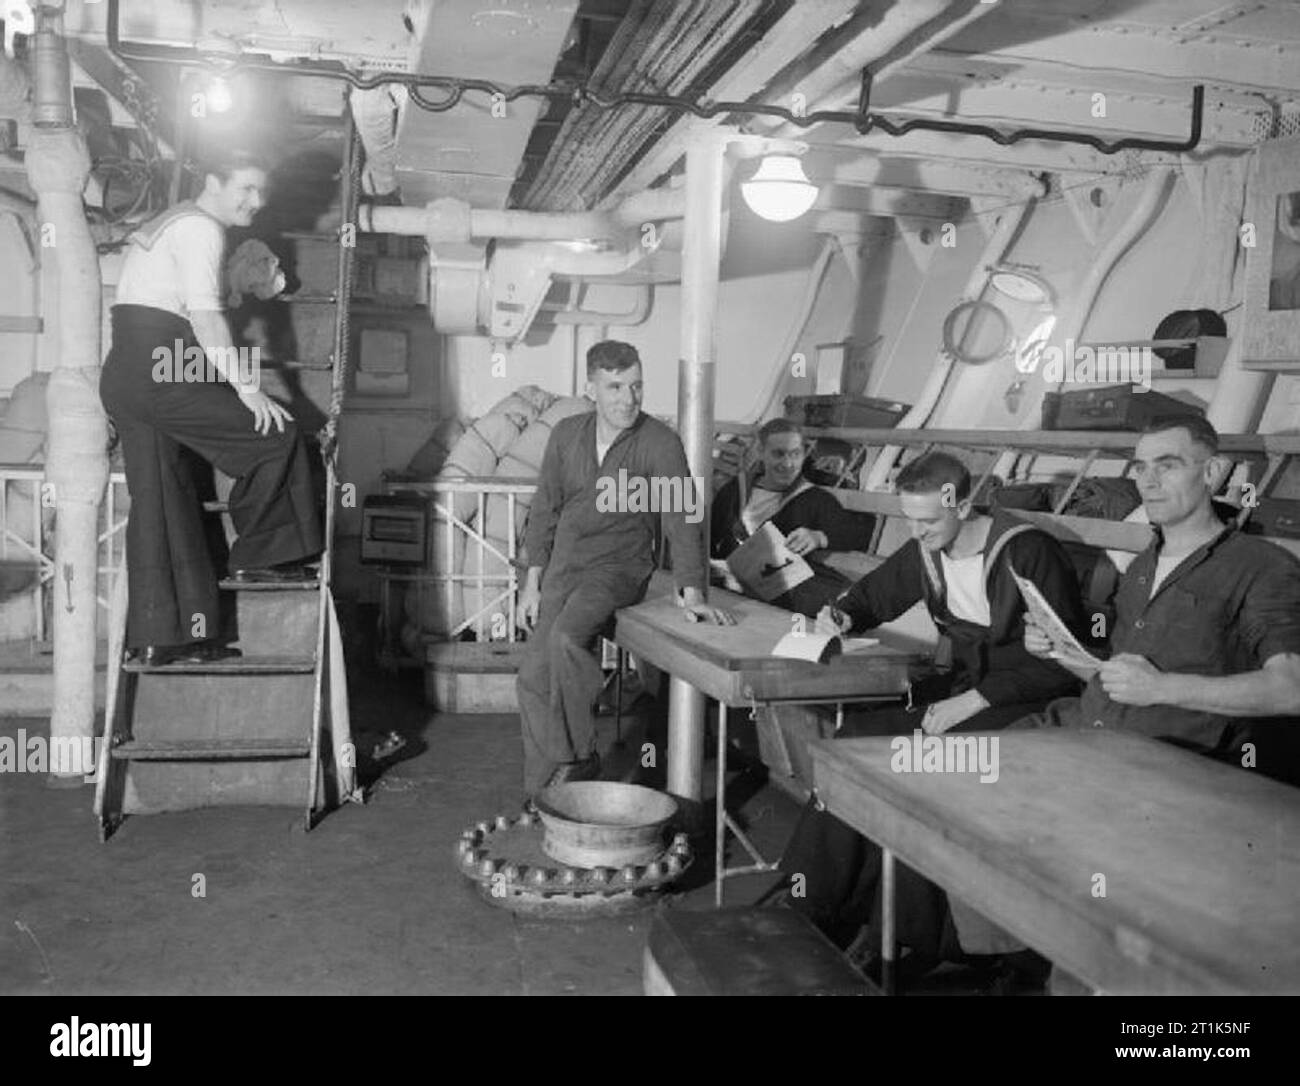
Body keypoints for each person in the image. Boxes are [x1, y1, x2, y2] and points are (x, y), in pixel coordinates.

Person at [777, 450, 1084, 973]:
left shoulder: (1027, 551)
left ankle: (906, 938)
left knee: (915, 761)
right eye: (911, 521)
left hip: (1025, 701)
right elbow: (875, 594)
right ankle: (811, 911)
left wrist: (971, 701)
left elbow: (1066, 665)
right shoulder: (925, 549)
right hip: (966, 694)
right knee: (853, 744)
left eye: (929, 521)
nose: (917, 533)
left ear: (963, 503)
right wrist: (842, 615)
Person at [100, 149, 322, 668]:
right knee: (275, 436)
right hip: (162, 363)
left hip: (128, 369)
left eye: (261, 191)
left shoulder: (173, 219)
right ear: (213, 181)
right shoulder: (202, 228)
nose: (256, 200)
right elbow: (204, 320)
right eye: (245, 188)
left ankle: (167, 637)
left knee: (161, 502)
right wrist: (248, 388)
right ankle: (262, 557)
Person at [516, 341, 720, 796]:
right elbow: (545, 509)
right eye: (615, 387)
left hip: (618, 567)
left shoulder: (659, 443)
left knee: (568, 639)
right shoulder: (566, 434)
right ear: (591, 388)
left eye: (636, 386)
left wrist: (693, 591)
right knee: (531, 676)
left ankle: (578, 759)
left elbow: (682, 519)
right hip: (562, 565)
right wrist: (532, 582)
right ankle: (542, 791)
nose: (628, 398)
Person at [710, 417, 875, 615]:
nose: (787, 463)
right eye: (778, 454)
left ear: (804, 454)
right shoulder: (735, 490)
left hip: (780, 588)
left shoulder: (813, 498)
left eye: (795, 454)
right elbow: (711, 535)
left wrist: (819, 537)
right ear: (761, 452)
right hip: (731, 583)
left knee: (836, 599)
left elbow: (857, 532)